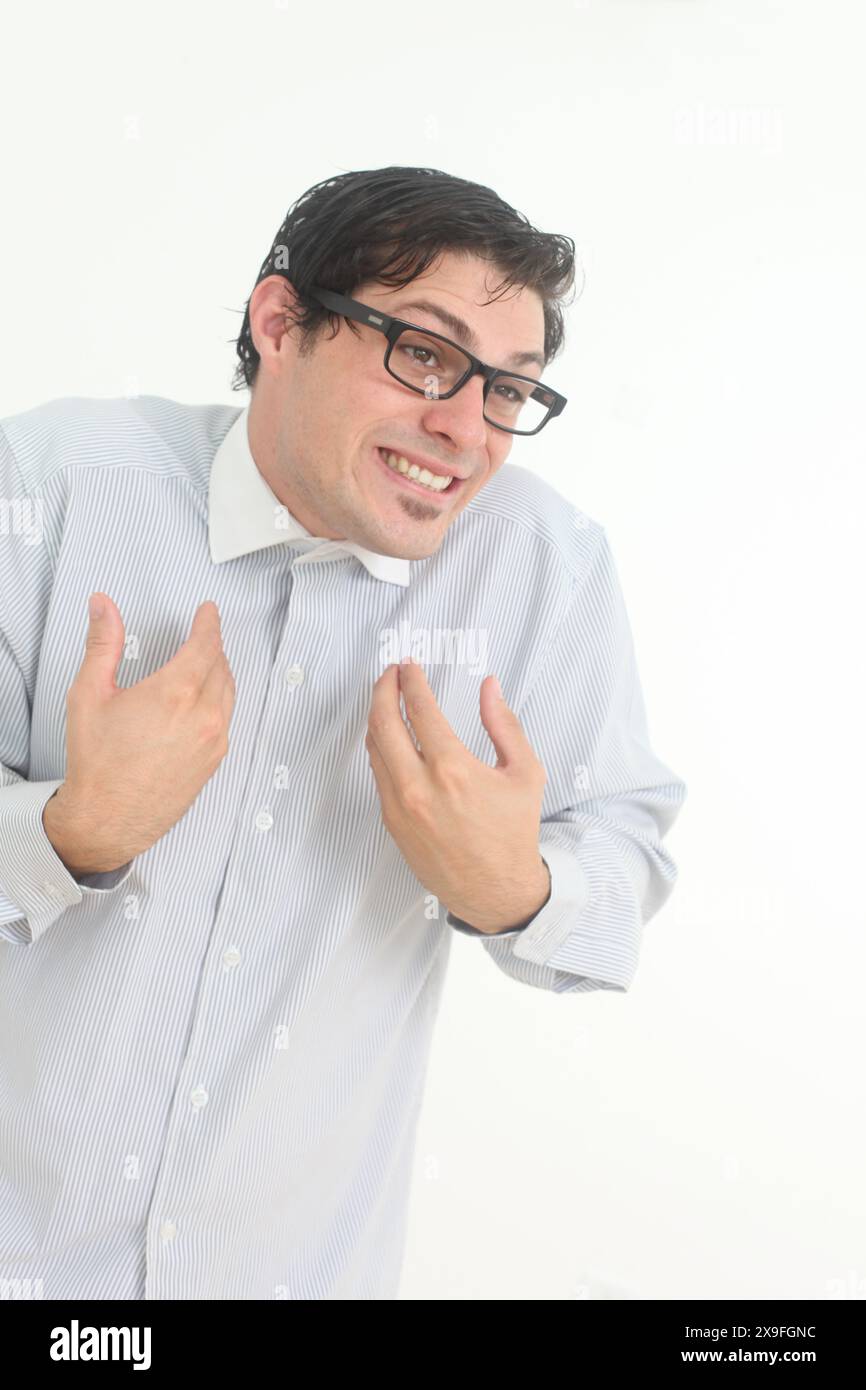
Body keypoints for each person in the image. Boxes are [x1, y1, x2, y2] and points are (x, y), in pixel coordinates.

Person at [0, 165, 686, 1300]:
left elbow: (627, 855)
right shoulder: (47, 487)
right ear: (281, 322)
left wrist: (515, 886)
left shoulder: (543, 572)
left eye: (508, 390)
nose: (464, 428)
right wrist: (68, 832)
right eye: (424, 353)